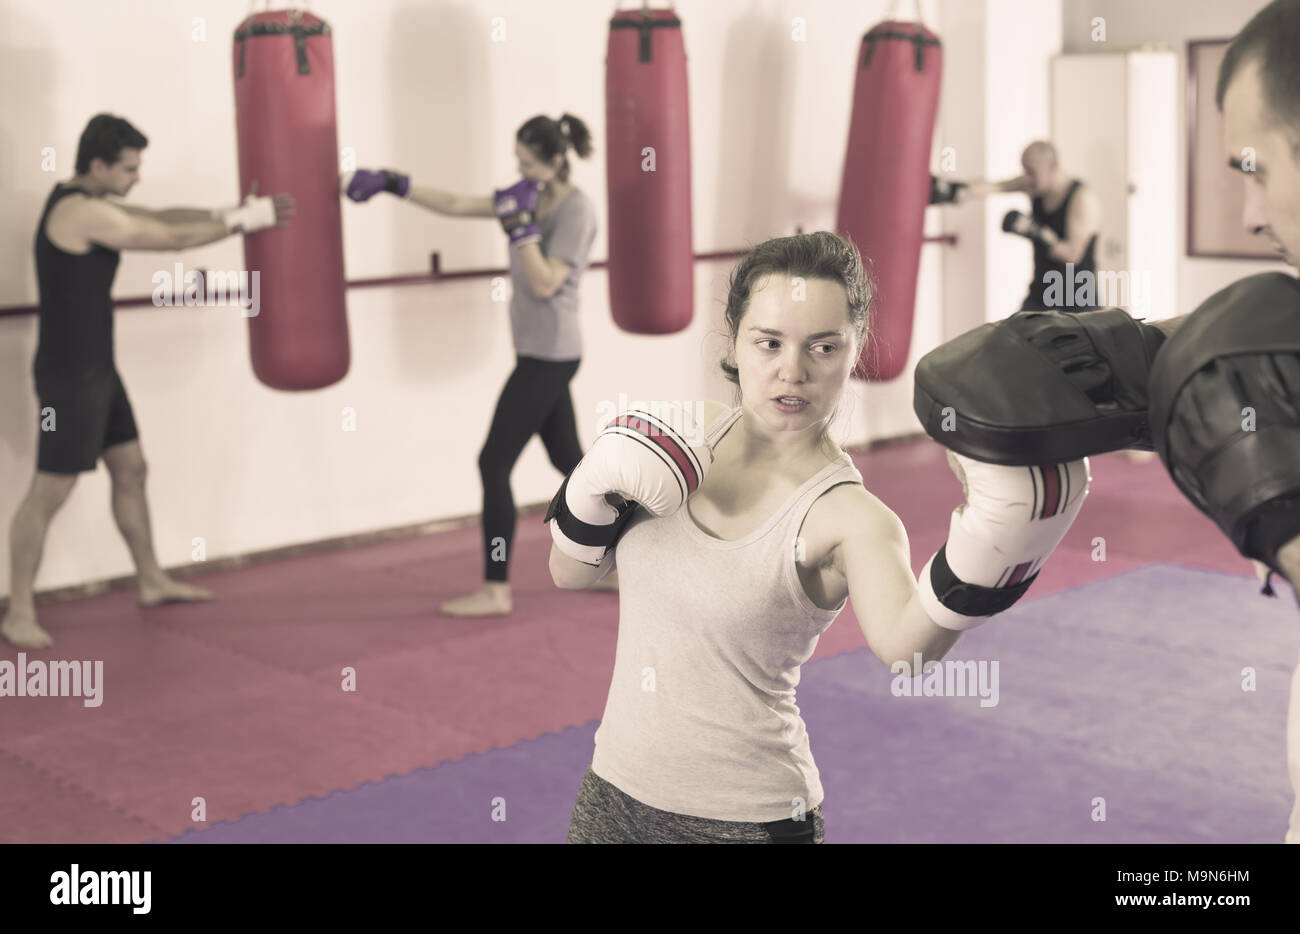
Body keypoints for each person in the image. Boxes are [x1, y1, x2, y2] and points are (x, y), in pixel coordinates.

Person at [545, 231, 1091, 843]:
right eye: (769, 342)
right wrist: (586, 489)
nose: (792, 370)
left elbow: (907, 653)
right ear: (735, 339)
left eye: (823, 348)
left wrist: (996, 549)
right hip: (611, 792)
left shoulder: (851, 517)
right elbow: (571, 573)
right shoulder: (677, 441)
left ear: (855, 351)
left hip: (747, 820)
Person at [2, 114, 292, 650]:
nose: (137, 178)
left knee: (131, 469)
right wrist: (249, 222)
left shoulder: (84, 196)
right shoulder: (79, 213)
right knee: (49, 491)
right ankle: (18, 610)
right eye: (130, 169)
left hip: (99, 370)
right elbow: (172, 239)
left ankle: (151, 580)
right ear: (98, 166)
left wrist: (232, 209)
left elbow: (161, 214)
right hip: (68, 379)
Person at [345, 114, 600, 618]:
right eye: (517, 161)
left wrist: (523, 229)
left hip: (551, 354)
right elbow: (458, 204)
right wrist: (395, 183)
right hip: (536, 351)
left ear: (555, 161)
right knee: (573, 463)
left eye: (529, 162)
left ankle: (495, 587)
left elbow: (547, 282)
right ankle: (626, 561)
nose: (520, 170)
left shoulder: (575, 211)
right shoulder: (526, 195)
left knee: (493, 463)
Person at [935, 141, 1102, 312]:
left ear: (1053, 168)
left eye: (1031, 172)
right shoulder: (1035, 185)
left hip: (1077, 298)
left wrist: (1036, 232)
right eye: (1025, 170)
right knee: (1012, 336)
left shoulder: (1082, 199)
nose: (1026, 178)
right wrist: (956, 190)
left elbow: (1073, 255)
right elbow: (997, 186)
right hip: (1042, 292)